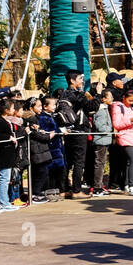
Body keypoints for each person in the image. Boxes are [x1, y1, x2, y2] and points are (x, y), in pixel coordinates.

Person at [58, 69, 90, 198]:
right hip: (78, 131)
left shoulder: (64, 94)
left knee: (68, 161)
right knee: (78, 162)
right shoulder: (77, 95)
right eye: (80, 79)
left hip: (69, 131)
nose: (82, 81)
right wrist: (97, 95)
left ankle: (64, 189)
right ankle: (77, 190)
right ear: (72, 80)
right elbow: (90, 106)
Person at [0, 98, 22, 212]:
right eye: (12, 108)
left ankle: (5, 201)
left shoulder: (7, 121)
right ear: (6, 110)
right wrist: (8, 138)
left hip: (8, 154)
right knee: (4, 179)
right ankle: (3, 202)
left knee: (6, 179)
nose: (13, 110)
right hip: (2, 154)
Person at [110, 88, 133, 195]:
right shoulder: (117, 107)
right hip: (124, 137)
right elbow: (117, 124)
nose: (131, 103)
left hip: (132, 136)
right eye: (130, 101)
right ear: (124, 98)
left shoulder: (131, 108)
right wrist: (130, 121)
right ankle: (132, 186)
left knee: (128, 162)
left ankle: (127, 184)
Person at [90, 87, 113, 196]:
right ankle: (97, 187)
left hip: (105, 140)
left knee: (102, 163)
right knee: (99, 163)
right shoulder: (100, 109)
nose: (112, 98)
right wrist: (111, 129)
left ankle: (99, 186)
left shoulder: (105, 109)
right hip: (100, 140)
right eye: (110, 96)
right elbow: (100, 126)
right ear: (103, 99)